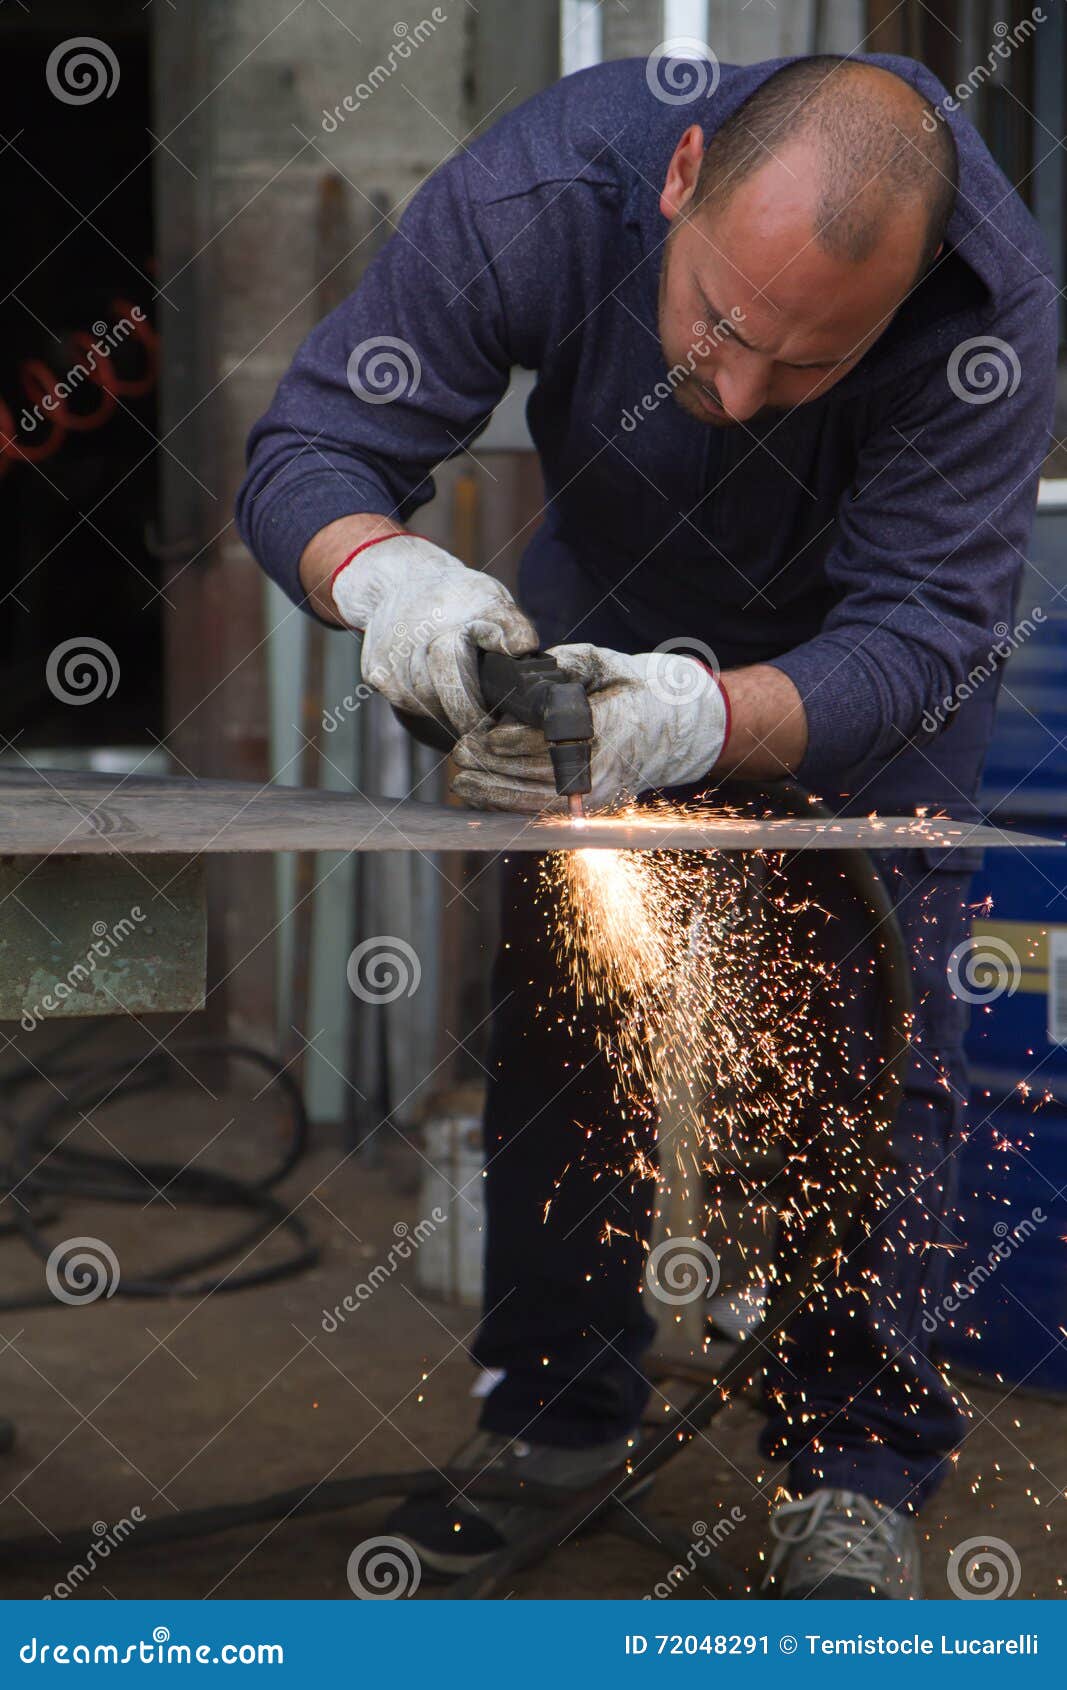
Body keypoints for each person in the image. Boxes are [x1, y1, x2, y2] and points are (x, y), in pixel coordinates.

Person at [237, 53, 1057, 1598]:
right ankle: (554, 1422)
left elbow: (924, 625)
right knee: (570, 1025)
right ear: (677, 179)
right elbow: (309, 451)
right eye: (720, 331)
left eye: (807, 367)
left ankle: (852, 1467)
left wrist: (700, 715)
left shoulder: (988, 308)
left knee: (864, 1063)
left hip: (859, 685)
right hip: (601, 630)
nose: (740, 394)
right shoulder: (546, 188)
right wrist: (389, 582)